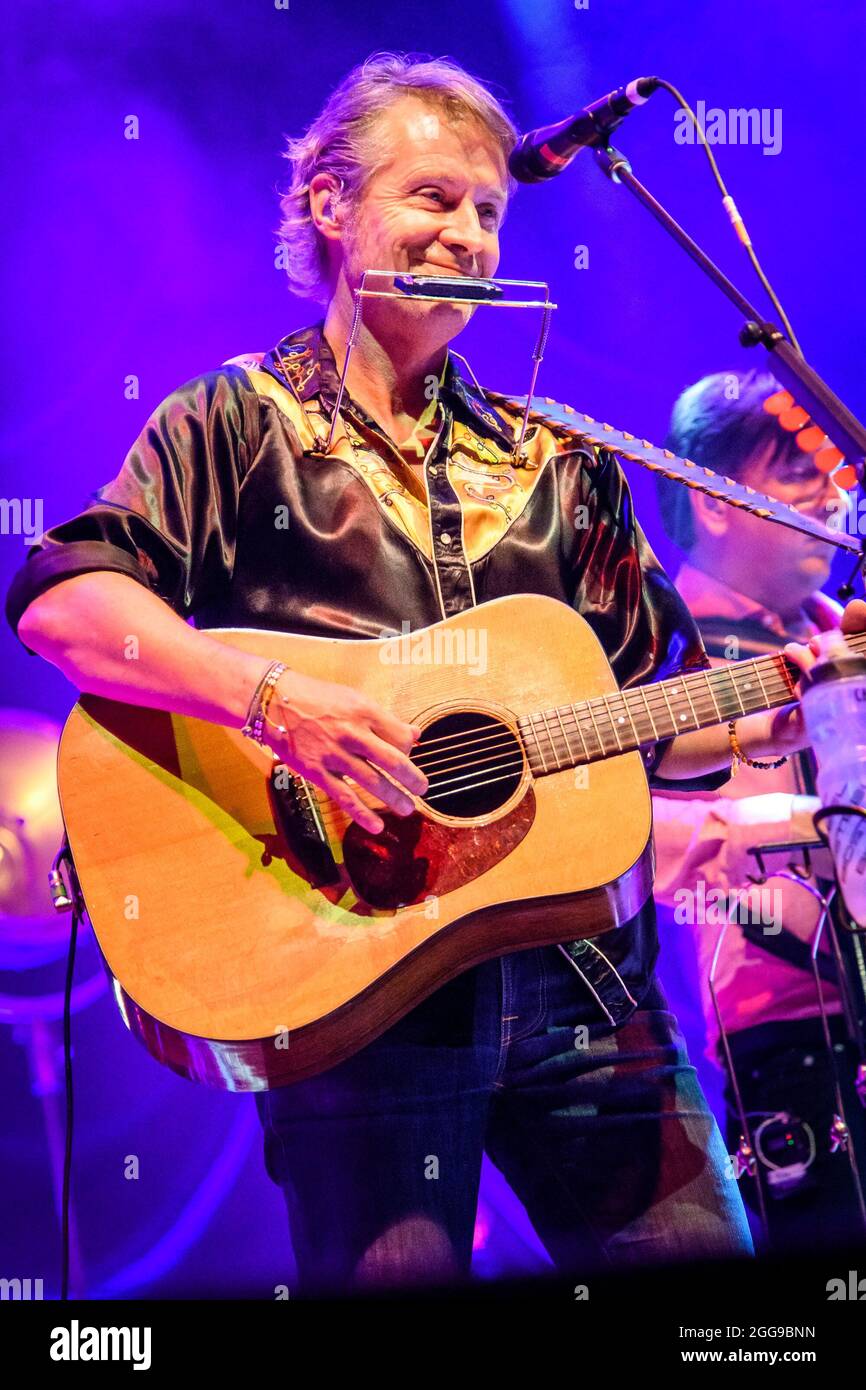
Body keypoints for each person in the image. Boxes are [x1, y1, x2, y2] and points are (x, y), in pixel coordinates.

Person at [4, 53, 850, 1295]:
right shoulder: (229, 427)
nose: (466, 234)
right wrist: (271, 704)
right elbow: (65, 609)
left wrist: (774, 697)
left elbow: (656, 726)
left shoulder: (563, 462)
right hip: (351, 998)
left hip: (588, 1002)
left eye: (489, 211)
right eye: (433, 198)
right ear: (331, 208)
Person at [652, 368, 866, 1252]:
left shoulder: (838, 630)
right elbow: (635, 834)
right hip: (783, 1042)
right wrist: (783, 829)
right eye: (797, 473)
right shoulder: (662, 651)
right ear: (716, 502)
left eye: (838, 474)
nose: (836, 495)